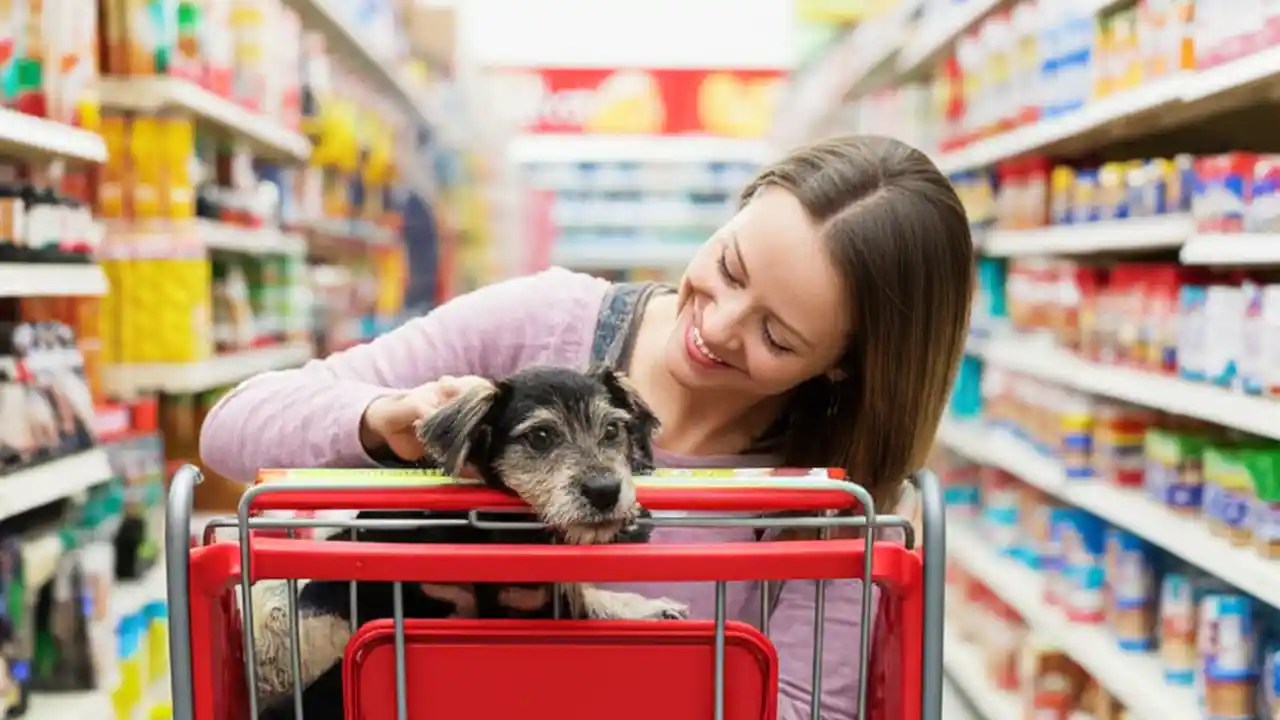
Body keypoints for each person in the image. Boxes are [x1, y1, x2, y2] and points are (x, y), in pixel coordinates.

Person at [199, 135, 974, 718]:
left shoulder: (832, 499)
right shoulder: (539, 326)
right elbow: (231, 428)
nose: (718, 327)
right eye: (730, 267)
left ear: (842, 364)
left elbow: (812, 708)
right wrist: (379, 421)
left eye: (778, 336)